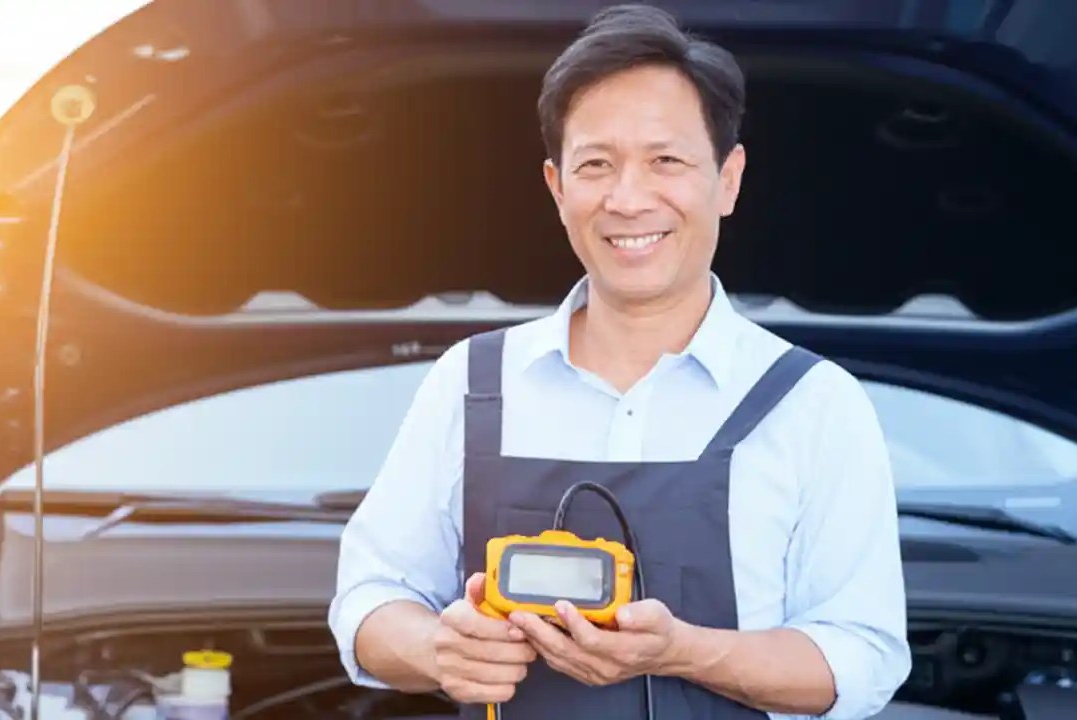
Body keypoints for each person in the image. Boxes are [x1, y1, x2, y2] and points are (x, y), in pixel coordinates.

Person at [328, 4, 911, 719]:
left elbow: (863, 656)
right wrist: (438, 649)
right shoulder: (474, 383)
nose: (629, 199)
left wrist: (684, 651)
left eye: (666, 161)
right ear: (557, 187)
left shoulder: (813, 403)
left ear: (727, 179)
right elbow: (369, 600)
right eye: (596, 165)